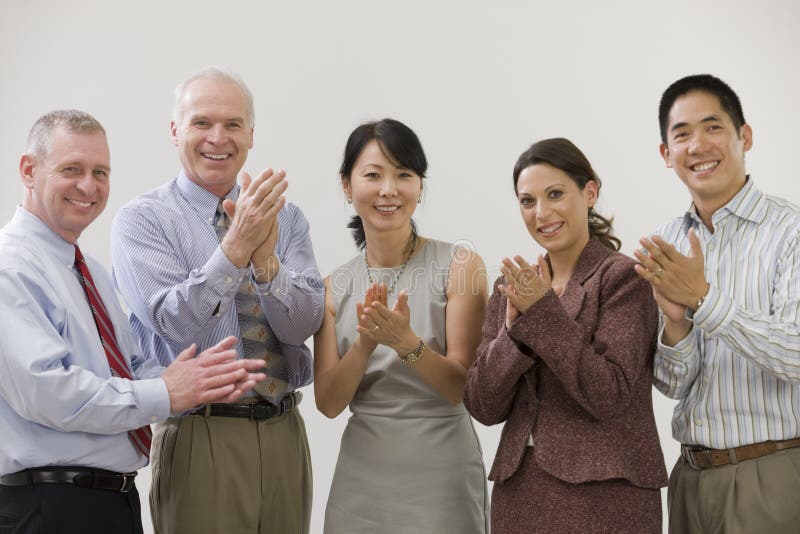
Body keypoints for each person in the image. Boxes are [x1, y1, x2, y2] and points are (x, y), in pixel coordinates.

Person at [0, 109, 266, 534]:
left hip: (110, 503)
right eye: (73, 169)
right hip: (49, 508)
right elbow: (48, 393)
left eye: (100, 172)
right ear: (29, 170)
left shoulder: (90, 272)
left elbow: (129, 367)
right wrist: (166, 392)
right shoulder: (11, 268)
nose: (89, 186)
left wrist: (199, 382)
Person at [111, 66, 324, 534]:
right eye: (201, 122)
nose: (217, 137)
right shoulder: (142, 220)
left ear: (251, 134)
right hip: (200, 434)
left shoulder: (286, 218)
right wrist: (234, 251)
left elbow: (304, 323)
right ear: (174, 131)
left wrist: (267, 265)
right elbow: (172, 322)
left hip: (284, 431)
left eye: (232, 124)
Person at [464, 138, 668, 533]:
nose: (541, 213)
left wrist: (540, 313)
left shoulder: (623, 277)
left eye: (555, 194)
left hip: (606, 497)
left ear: (589, 193)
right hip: (520, 493)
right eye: (527, 201)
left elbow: (608, 393)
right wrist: (514, 335)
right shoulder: (513, 285)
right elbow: (482, 406)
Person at [634, 74, 800, 533]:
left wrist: (703, 300)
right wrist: (675, 325)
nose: (698, 145)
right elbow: (671, 385)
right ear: (667, 155)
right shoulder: (666, 242)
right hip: (689, 479)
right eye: (681, 134)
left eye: (713, 127)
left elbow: (795, 354)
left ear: (744, 136)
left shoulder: (790, 232)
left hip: (772, 472)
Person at [313, 118, 490, 533]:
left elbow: (462, 388)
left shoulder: (460, 266)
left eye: (404, 175)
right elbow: (328, 403)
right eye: (373, 175)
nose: (388, 190)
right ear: (346, 185)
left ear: (420, 186)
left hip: (443, 476)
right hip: (362, 482)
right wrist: (365, 345)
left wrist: (406, 342)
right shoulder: (331, 288)